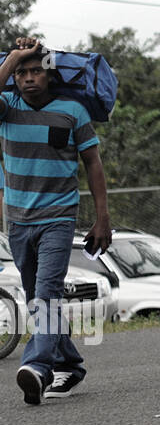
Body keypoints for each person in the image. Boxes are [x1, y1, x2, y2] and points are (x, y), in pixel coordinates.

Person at [0, 38, 111, 404]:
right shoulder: (7, 106)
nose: (29, 78)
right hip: (16, 219)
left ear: (50, 76)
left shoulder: (72, 110)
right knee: (36, 298)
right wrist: (14, 56)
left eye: (36, 71)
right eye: (22, 72)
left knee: (46, 293)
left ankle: (38, 367)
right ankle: (71, 365)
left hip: (58, 217)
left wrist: (102, 219)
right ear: (14, 77)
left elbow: (93, 164)